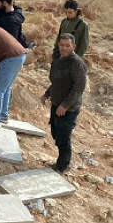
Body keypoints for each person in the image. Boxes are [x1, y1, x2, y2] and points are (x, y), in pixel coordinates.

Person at [41, 33, 87, 173]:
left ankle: (62, 166)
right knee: (56, 132)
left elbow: (79, 87)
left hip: (68, 108)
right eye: (62, 45)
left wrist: (65, 105)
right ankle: (62, 162)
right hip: (56, 104)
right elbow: (56, 82)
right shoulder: (59, 60)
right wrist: (47, 94)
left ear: (73, 46)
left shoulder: (77, 63)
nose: (64, 48)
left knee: (63, 136)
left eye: (67, 46)